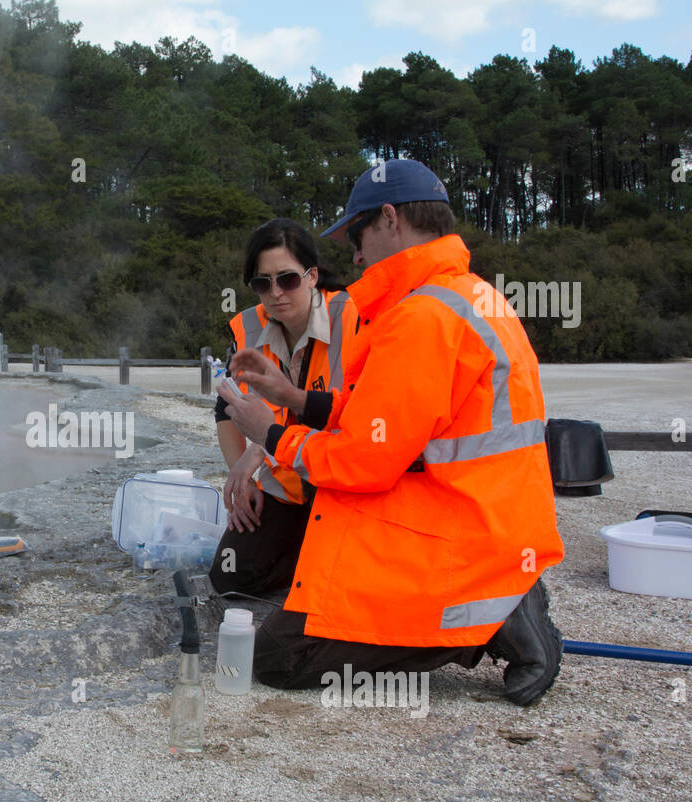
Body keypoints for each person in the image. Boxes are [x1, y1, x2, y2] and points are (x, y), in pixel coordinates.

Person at [220, 159, 565, 706]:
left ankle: (493, 621)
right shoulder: (472, 297)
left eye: (358, 237)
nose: (354, 256)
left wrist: (273, 434)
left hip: (450, 533)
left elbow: (364, 461)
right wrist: (296, 400)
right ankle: (499, 598)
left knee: (278, 659)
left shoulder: (422, 317)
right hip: (486, 519)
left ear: (389, 220)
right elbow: (387, 419)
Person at [209, 219, 357, 598]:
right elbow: (226, 406)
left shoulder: (355, 320)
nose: (275, 293)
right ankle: (310, 560)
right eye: (263, 283)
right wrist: (241, 476)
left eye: (287, 279)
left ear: (312, 276)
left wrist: (257, 449)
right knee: (230, 576)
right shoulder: (249, 327)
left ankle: (322, 563)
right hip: (289, 479)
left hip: (346, 482)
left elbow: (362, 414)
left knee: (340, 586)